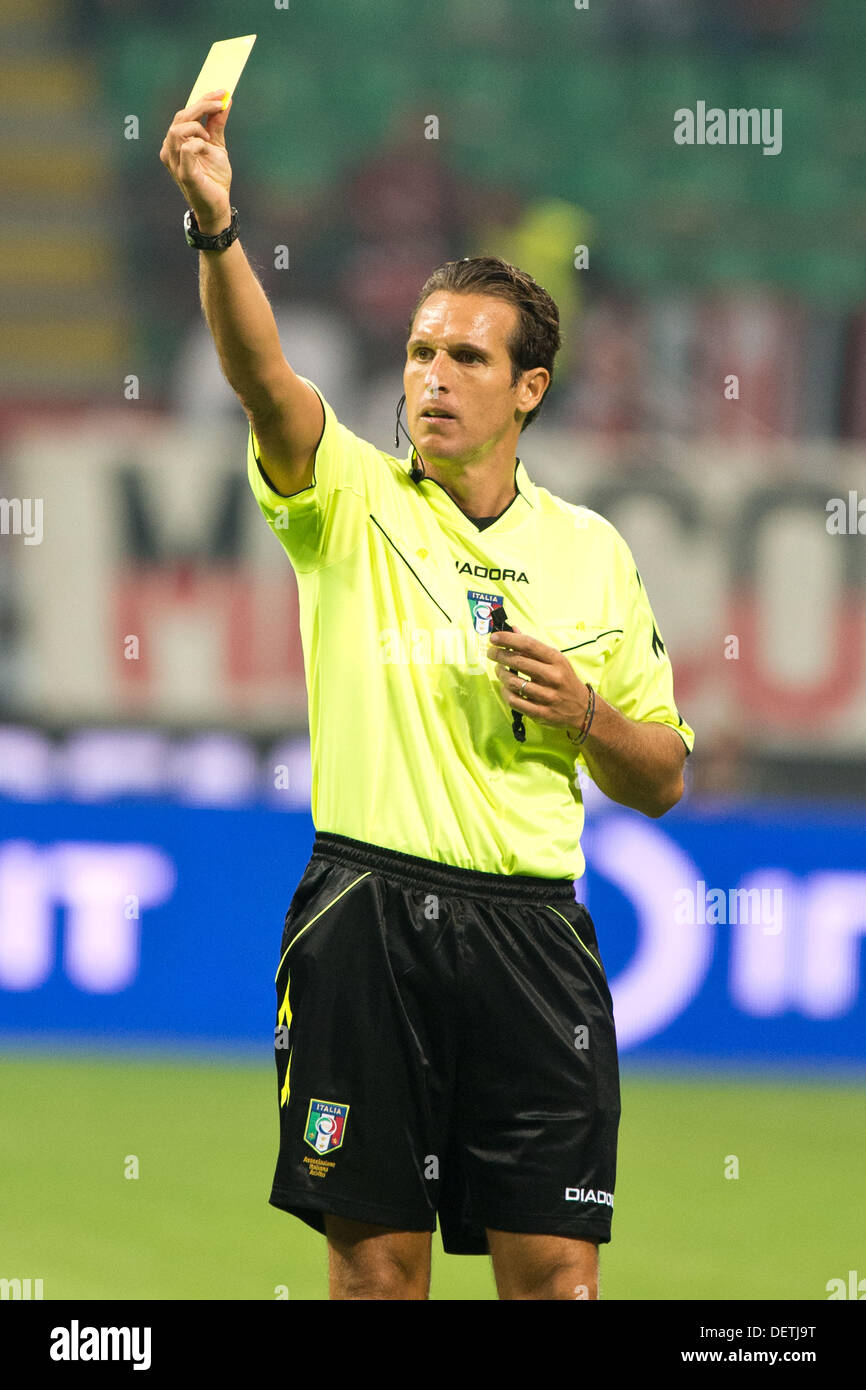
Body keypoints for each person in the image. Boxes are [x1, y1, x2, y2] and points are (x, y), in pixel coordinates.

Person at [160, 91, 695, 1301]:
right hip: (365, 915)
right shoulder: (348, 499)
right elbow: (263, 377)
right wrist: (215, 230)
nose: (432, 376)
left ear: (530, 389)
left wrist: (586, 717)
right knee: (377, 1277)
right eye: (417, 351)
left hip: (531, 942)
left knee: (555, 1278)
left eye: (465, 356)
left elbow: (660, 775)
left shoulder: (592, 552)